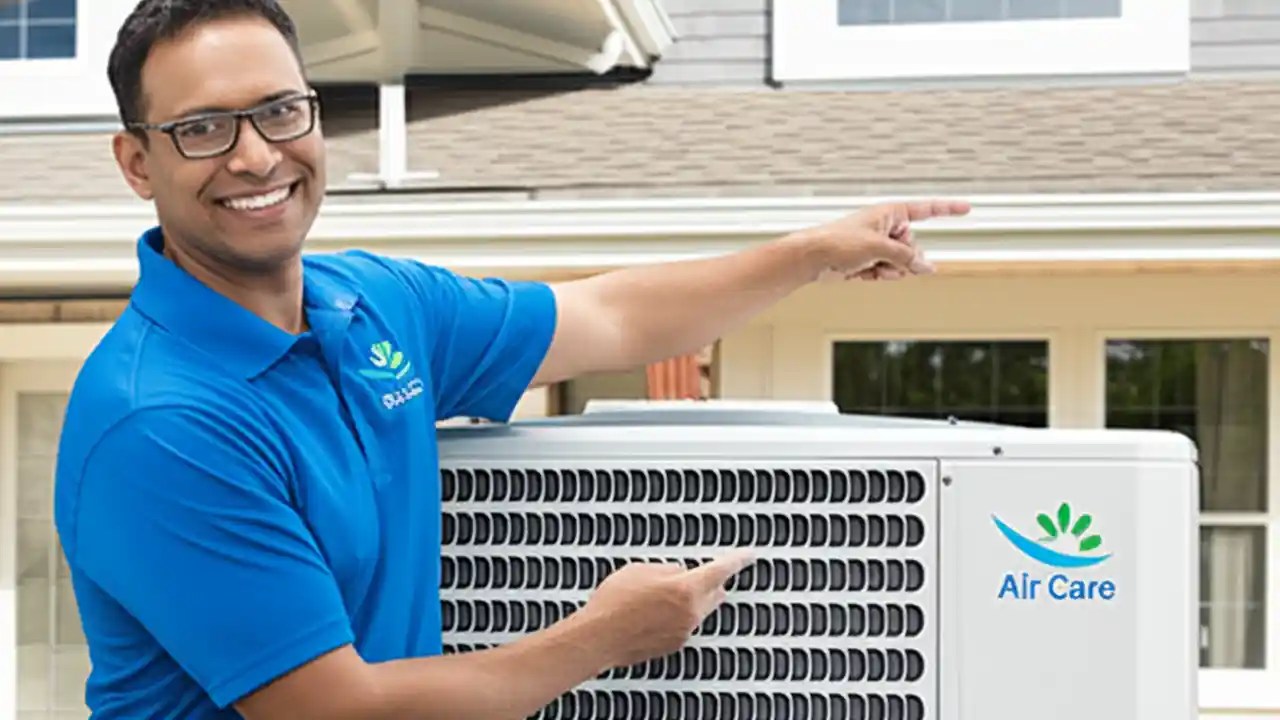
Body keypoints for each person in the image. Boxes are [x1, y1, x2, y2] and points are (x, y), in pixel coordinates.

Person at [52, 1, 970, 718]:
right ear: (137, 162)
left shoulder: (373, 306)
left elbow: (605, 317)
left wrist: (808, 253)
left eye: (281, 111)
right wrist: (601, 640)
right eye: (204, 128)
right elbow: (333, 708)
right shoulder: (162, 421)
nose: (257, 157)